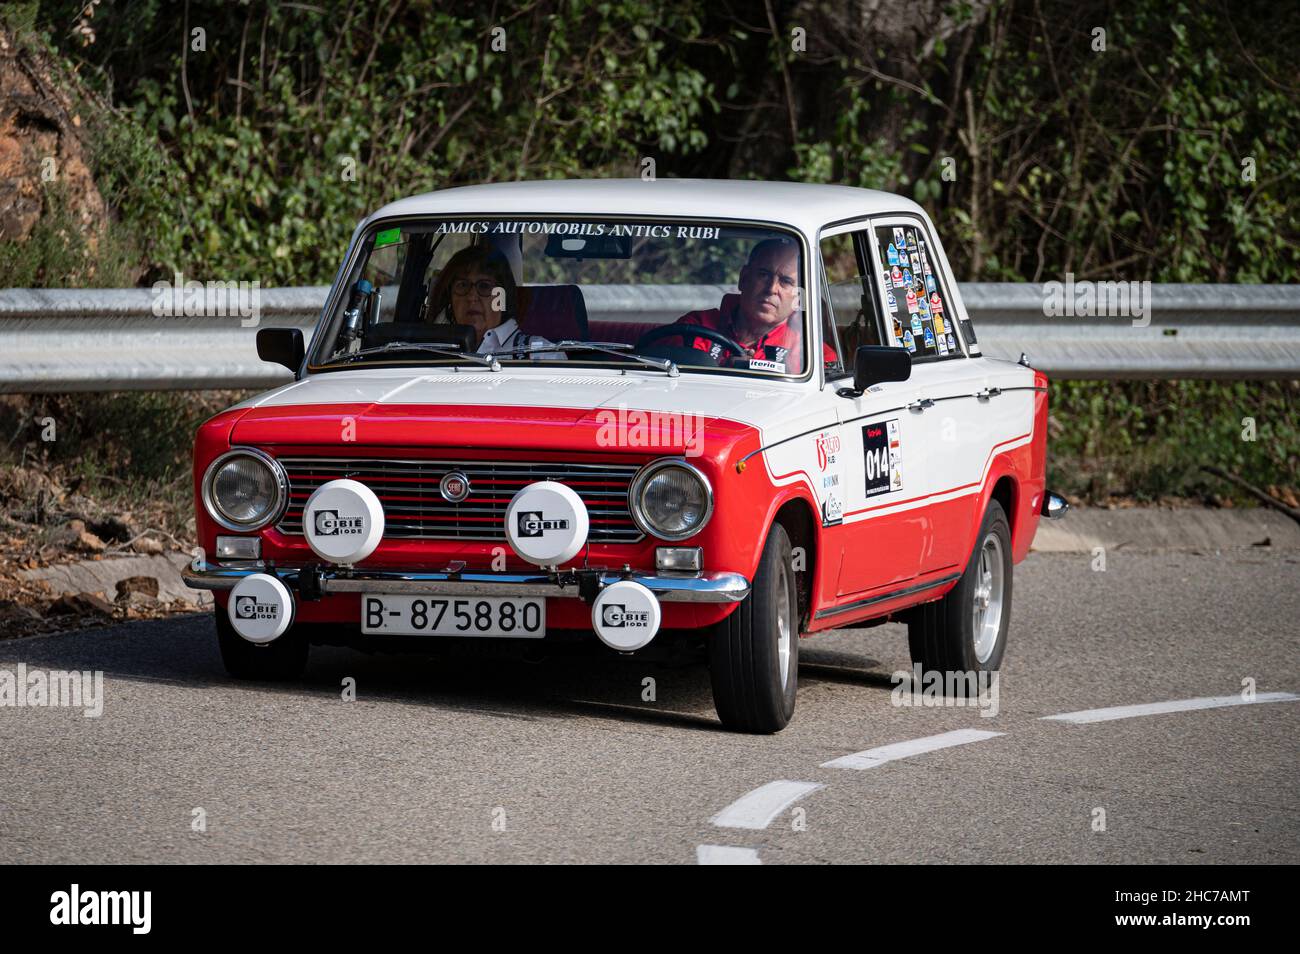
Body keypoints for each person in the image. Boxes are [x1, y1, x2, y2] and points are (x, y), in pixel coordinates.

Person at [676, 238, 836, 373]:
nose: (772, 289)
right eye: (764, 275)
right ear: (744, 278)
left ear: (800, 297)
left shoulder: (813, 355)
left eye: (786, 281)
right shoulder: (694, 328)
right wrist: (724, 369)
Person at [426, 245, 558, 358]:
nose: (472, 297)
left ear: (502, 297)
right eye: (463, 285)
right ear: (450, 299)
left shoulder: (540, 353)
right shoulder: (429, 351)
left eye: (484, 286)